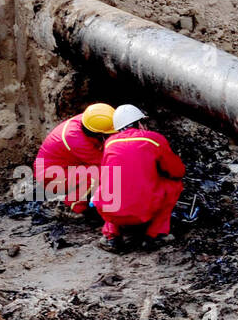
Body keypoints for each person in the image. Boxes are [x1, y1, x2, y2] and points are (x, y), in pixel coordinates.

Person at [95, 104, 186, 247]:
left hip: (109, 211)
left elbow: (106, 176)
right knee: (174, 185)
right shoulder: (153, 139)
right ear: (139, 123)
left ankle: (110, 236)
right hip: (142, 211)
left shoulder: (109, 142)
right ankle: (156, 235)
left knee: (109, 187)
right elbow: (176, 171)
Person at [33, 103, 116, 213]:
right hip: (50, 177)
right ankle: (72, 207)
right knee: (100, 173)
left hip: (65, 167)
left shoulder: (90, 120)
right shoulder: (76, 139)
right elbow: (106, 163)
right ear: (98, 134)